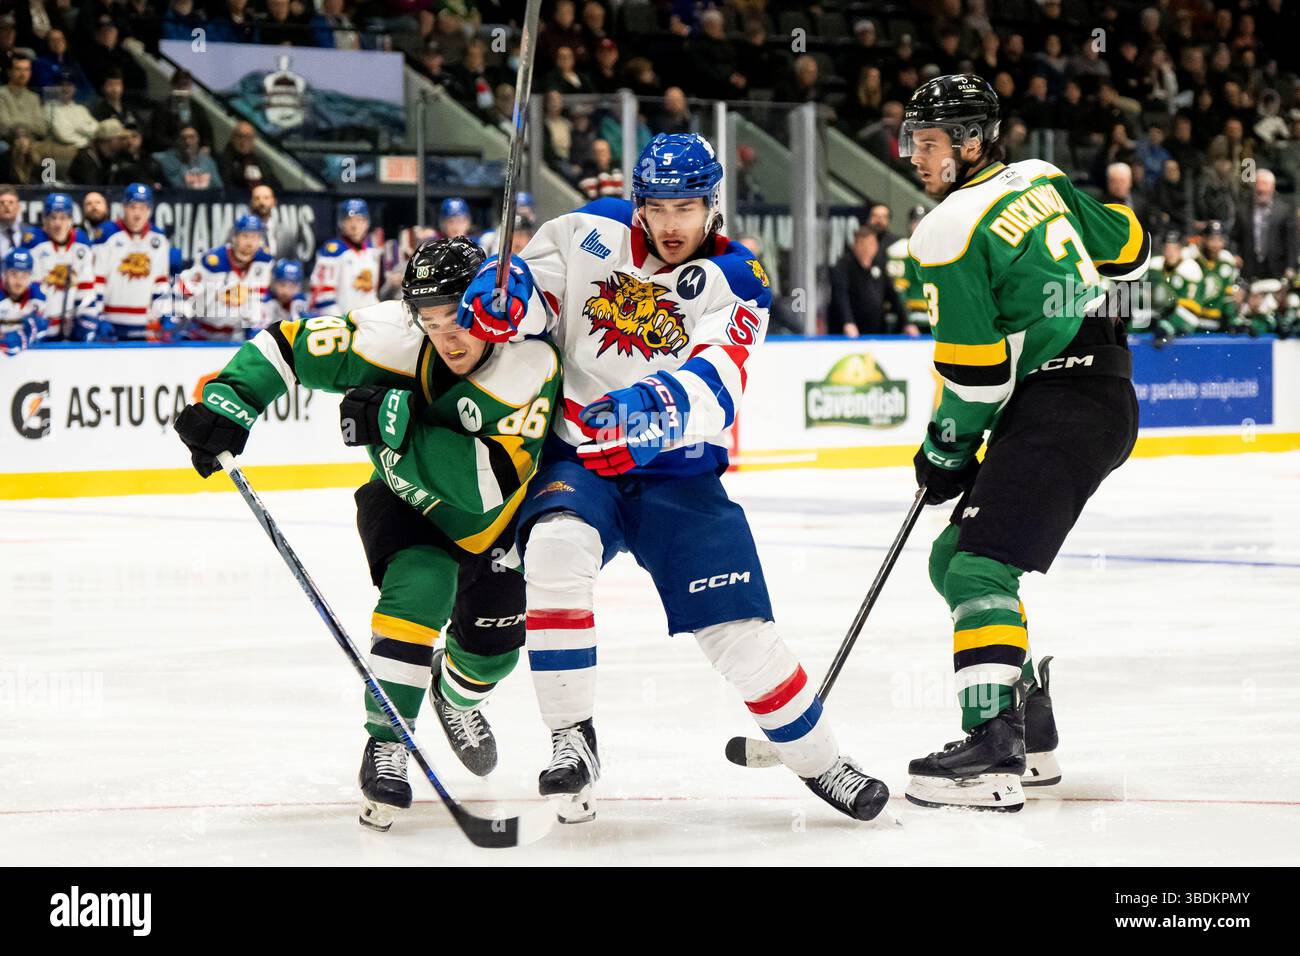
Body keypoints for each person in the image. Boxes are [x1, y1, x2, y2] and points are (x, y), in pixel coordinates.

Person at [457, 132, 891, 824]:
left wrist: (651, 405)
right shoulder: (584, 230)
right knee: (554, 553)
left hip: (678, 474)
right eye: (658, 207)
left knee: (739, 632)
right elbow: (530, 298)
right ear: (639, 203)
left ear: (710, 207)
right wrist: (501, 300)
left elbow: (721, 383)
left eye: (686, 208)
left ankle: (824, 762)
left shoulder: (739, 278)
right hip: (578, 459)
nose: (670, 224)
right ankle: (572, 739)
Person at [173, 237, 562, 831]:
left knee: (493, 657)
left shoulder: (530, 365)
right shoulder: (387, 336)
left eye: (456, 318)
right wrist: (232, 401)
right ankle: (388, 746)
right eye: (428, 321)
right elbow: (287, 345)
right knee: (417, 596)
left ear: (489, 304)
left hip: (493, 524)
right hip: (403, 504)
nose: (445, 337)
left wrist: (394, 423)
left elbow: (484, 486)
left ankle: (453, 696)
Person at [900, 74, 1149, 811]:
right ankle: (1029, 724)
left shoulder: (946, 231)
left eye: (930, 140)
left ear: (971, 143)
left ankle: (992, 752)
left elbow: (975, 377)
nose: (915, 152)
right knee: (955, 557)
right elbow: (1129, 249)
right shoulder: (1039, 178)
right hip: (1103, 392)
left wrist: (945, 451)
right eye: (913, 137)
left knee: (977, 567)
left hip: (1062, 400)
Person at [92, 182, 172, 341]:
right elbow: (96, 281)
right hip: (110, 322)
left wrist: (164, 314)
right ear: (123, 207)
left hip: (143, 324)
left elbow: (160, 282)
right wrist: (97, 317)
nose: (137, 214)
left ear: (150, 210)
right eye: (133, 207)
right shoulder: (107, 234)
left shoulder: (159, 240)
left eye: (142, 208)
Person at [178, 213, 274, 340]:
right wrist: (178, 314)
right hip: (201, 335)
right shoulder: (212, 262)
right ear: (234, 237)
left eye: (255, 237)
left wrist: (254, 325)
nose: (250, 243)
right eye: (245, 236)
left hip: (236, 337)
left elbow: (259, 300)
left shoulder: (263, 262)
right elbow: (183, 288)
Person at [27, 192, 103, 340]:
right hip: (39, 329)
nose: (57, 223)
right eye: (53, 217)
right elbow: (28, 286)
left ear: (71, 220)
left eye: (63, 218)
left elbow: (86, 287)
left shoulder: (82, 244)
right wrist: (34, 317)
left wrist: (87, 319)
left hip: (71, 330)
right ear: (44, 219)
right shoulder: (33, 243)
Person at [828, 225, 907, 336]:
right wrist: (848, 322)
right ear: (855, 245)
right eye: (863, 245)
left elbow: (892, 294)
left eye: (871, 244)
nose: (867, 249)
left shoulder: (879, 265)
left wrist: (907, 322)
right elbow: (841, 296)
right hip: (849, 331)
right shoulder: (843, 265)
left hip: (875, 330)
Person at [310, 199, 382, 316]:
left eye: (359, 220)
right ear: (341, 223)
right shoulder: (332, 251)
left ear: (366, 223)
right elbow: (322, 297)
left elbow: (371, 293)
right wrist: (340, 323)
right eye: (349, 220)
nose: (354, 226)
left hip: (366, 324)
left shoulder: (372, 251)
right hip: (341, 325)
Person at [1233, 169, 1298, 282]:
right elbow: (1234, 237)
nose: (1261, 190)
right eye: (1259, 187)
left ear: (1272, 188)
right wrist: (1234, 254)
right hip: (1249, 269)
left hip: (1277, 269)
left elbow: (1291, 241)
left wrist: (1291, 266)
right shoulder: (1242, 210)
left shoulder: (1285, 210)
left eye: (1265, 186)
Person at [1192, 221, 1243, 334]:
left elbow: (1229, 296)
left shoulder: (1226, 261)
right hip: (1191, 322)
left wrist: (1232, 319)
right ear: (1204, 239)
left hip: (1216, 323)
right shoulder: (1191, 260)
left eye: (1220, 240)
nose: (1216, 244)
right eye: (1212, 239)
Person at [886, 204, 930, 334]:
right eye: (916, 222)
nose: (919, 227)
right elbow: (898, 290)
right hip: (912, 321)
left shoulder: (937, 250)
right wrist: (907, 321)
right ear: (910, 224)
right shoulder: (901, 250)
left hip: (935, 319)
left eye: (923, 222)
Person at [0, 248, 47, 354]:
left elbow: (41, 328)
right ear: (4, 274)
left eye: (24, 275)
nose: (19, 281)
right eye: (13, 274)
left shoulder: (38, 297)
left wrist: (21, 336)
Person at [261, 257, 306, 325]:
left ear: (298, 287)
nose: (286, 291)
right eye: (282, 285)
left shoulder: (301, 302)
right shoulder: (266, 301)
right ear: (273, 283)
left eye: (292, 286)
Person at [0, 184, 37, 258]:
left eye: (11, 202)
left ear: (18, 206)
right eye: (2, 202)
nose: (6, 206)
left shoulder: (32, 233)